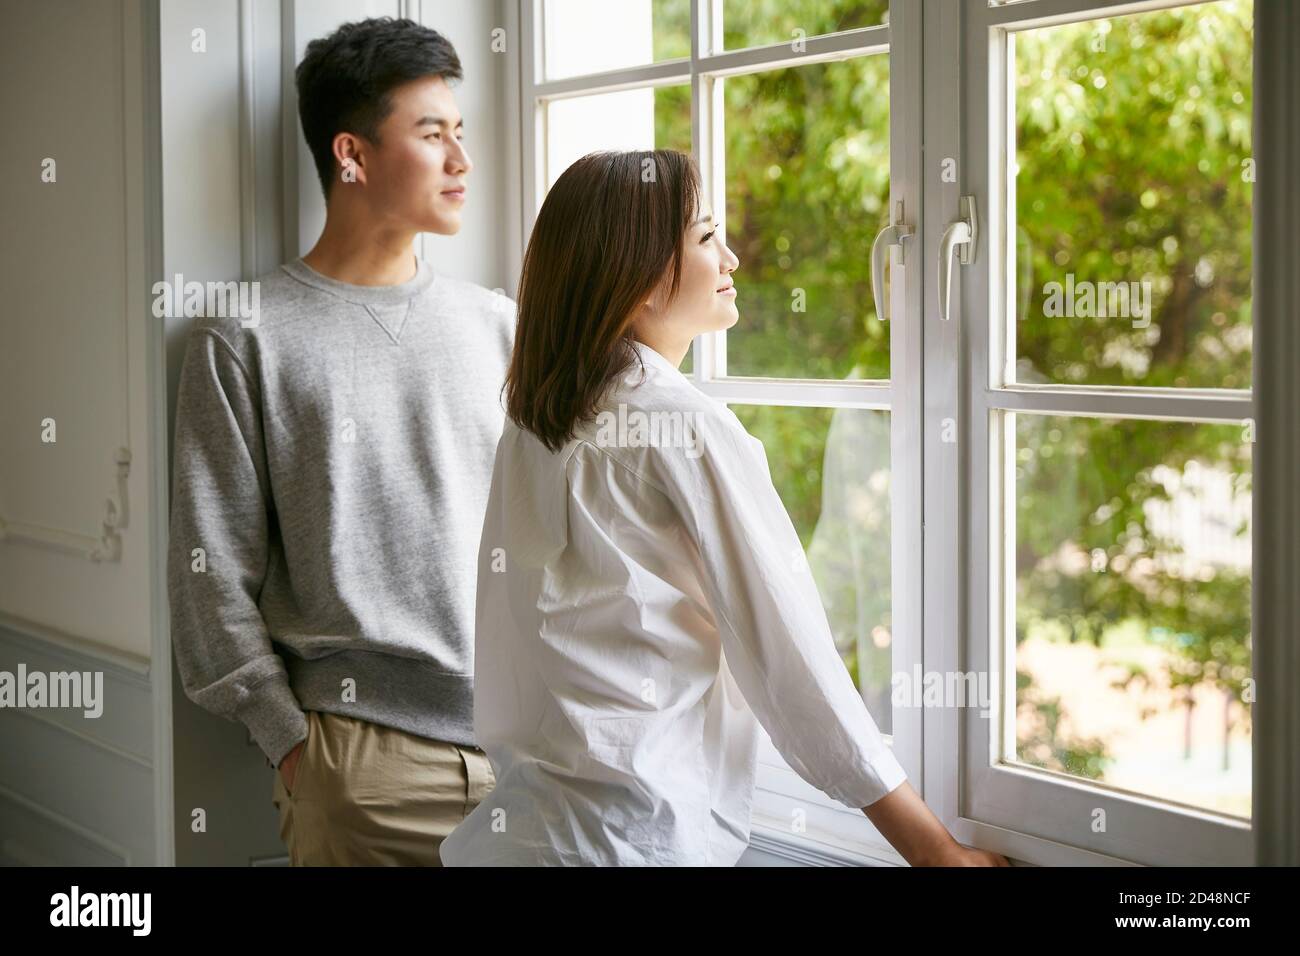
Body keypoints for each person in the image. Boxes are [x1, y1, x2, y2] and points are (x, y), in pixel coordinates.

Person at [438, 149, 1008, 866]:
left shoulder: (535, 424)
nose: (732, 256)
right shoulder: (679, 425)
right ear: (640, 278)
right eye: (707, 238)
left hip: (520, 836)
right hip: (629, 843)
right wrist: (933, 850)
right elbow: (789, 654)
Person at [167, 17, 511, 865]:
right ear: (351, 154)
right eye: (433, 135)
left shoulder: (498, 325)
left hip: (527, 757)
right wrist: (294, 745)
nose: (462, 161)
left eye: (460, 133)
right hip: (360, 770)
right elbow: (209, 570)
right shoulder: (245, 335)